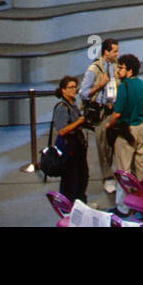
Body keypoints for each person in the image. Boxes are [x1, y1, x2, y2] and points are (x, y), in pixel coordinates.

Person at [101, 53, 143, 208]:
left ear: (129, 71)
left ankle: (123, 205)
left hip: (125, 130)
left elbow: (117, 113)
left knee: (124, 168)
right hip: (140, 127)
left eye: (121, 68)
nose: (118, 70)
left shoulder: (123, 87)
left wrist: (109, 125)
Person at [82, 37, 120, 194]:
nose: (118, 54)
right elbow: (83, 93)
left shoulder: (117, 66)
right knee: (102, 146)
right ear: (106, 52)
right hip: (100, 113)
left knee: (114, 144)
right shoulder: (94, 69)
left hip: (113, 110)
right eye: (115, 51)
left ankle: (115, 174)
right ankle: (107, 177)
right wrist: (100, 84)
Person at [51, 75, 90, 206]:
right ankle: (69, 206)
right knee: (71, 177)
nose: (74, 90)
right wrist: (79, 121)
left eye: (75, 87)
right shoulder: (62, 107)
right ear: (63, 90)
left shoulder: (73, 105)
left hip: (78, 143)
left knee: (82, 175)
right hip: (69, 146)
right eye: (70, 87)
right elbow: (61, 130)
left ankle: (80, 204)